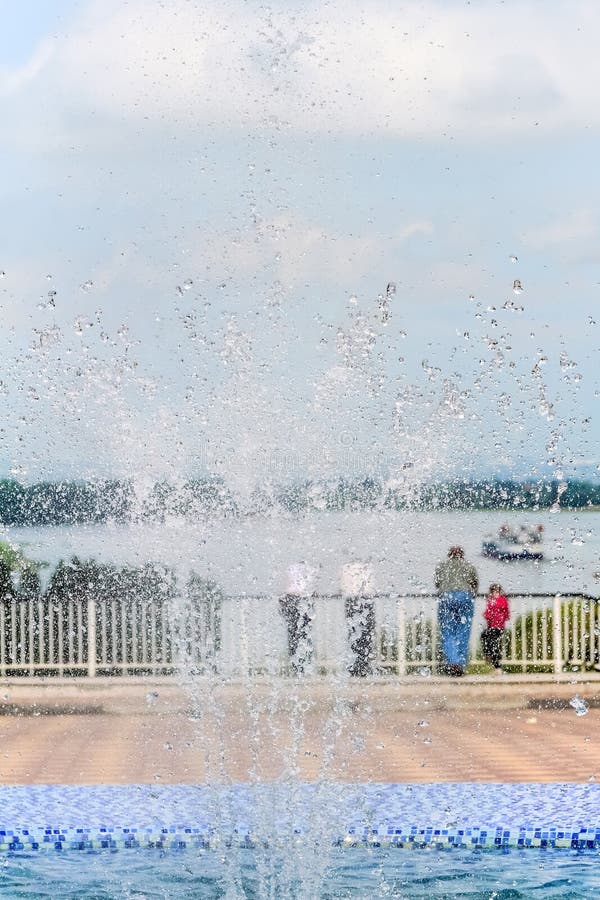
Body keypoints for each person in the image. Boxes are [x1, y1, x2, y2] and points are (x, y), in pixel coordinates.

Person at [434, 546, 479, 676]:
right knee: (463, 632)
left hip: (447, 597)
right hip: (465, 597)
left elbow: (437, 584)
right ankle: (460, 663)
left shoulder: (442, 566)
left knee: (448, 632)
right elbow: (475, 584)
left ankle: (453, 662)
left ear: (449, 555)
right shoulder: (469, 566)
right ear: (462, 555)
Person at [279, 562, 318, 675]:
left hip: (291, 598)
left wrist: (282, 602)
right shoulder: (310, 568)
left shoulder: (290, 567)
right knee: (306, 633)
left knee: (292, 633)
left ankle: (296, 666)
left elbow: (285, 585)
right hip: (304, 599)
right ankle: (306, 664)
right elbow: (313, 586)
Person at [341, 561, 375, 677]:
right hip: (365, 601)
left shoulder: (347, 567)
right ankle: (363, 666)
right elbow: (371, 587)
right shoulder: (367, 567)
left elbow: (343, 587)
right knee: (366, 635)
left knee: (354, 635)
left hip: (352, 601)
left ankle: (355, 667)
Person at [481, 583, 510, 673]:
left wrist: (487, 615)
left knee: (492, 644)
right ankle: (494, 663)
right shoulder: (502, 600)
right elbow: (506, 614)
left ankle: (493, 662)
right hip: (496, 626)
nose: (495, 593)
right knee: (492, 643)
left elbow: (489, 614)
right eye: (494, 592)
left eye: (497, 592)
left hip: (496, 627)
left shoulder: (495, 601)